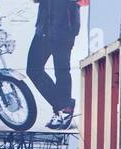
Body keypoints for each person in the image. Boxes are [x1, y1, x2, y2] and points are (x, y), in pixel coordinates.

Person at [28, 0, 82, 130]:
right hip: (44, 29)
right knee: (33, 69)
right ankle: (63, 105)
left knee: (61, 71)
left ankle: (63, 109)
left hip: (64, 29)